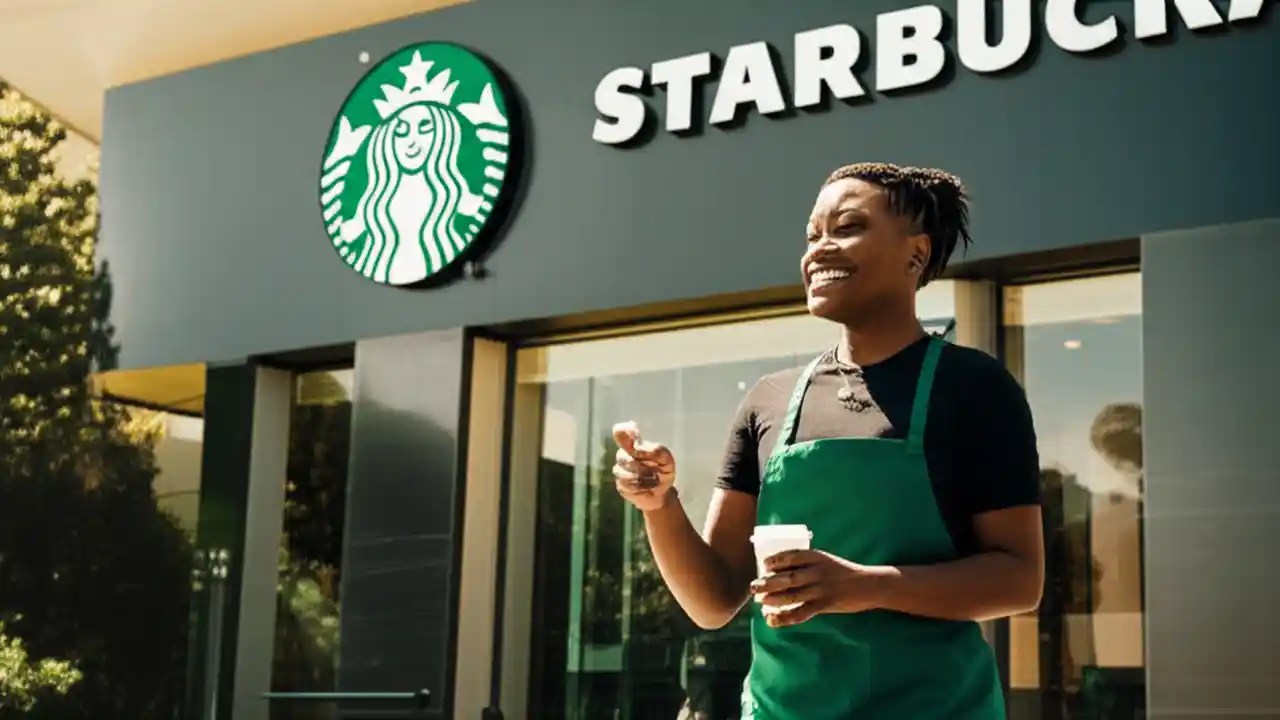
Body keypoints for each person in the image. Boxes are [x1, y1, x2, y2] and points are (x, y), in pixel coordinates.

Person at [612, 162, 1044, 719]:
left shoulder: (975, 389)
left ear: (915, 254)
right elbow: (714, 599)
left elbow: (1018, 578)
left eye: (847, 227)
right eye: (813, 235)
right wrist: (660, 504)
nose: (819, 249)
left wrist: (864, 586)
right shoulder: (767, 401)